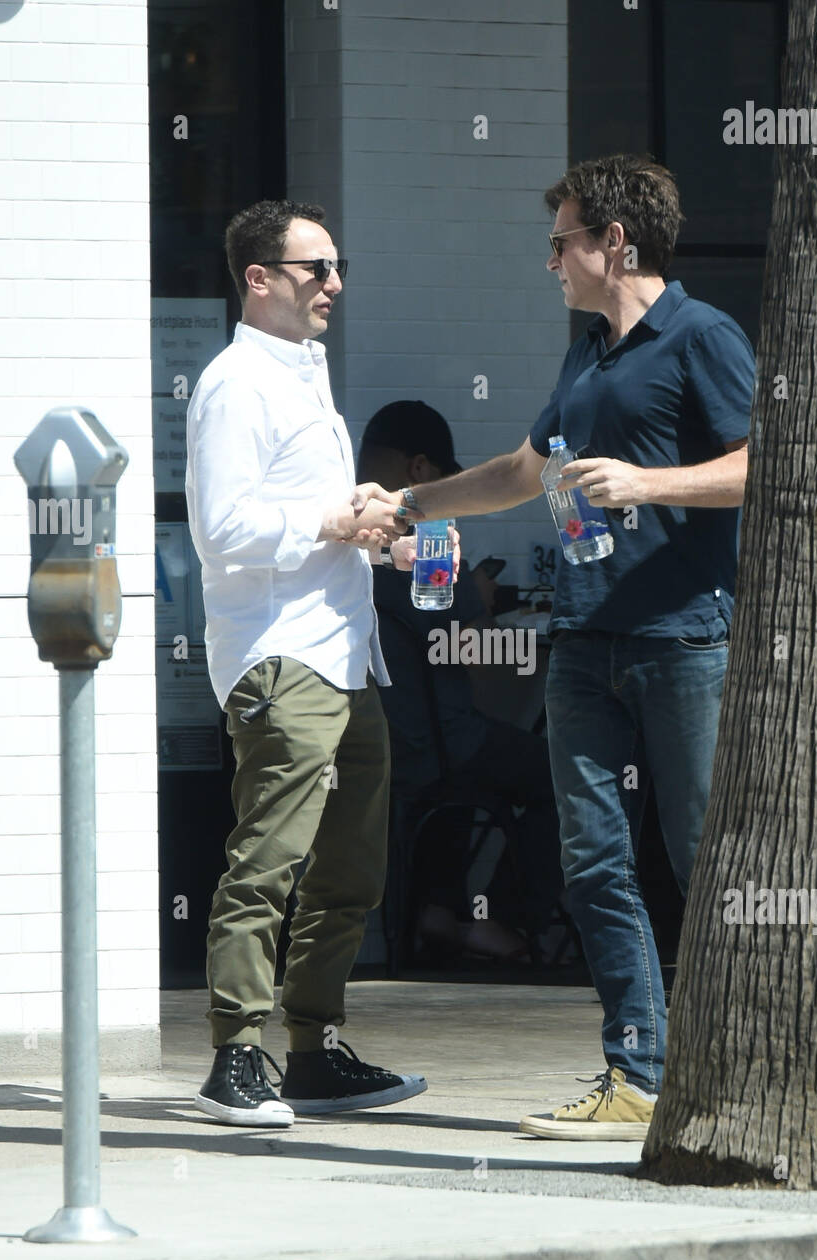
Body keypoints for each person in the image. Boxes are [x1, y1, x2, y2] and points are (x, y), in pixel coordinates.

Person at [385, 154, 756, 1140]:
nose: (549, 262)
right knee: (591, 860)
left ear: (613, 242)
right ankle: (635, 1070)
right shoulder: (588, 354)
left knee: (701, 855)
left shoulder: (702, 335)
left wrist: (649, 485)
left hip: (684, 640)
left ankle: (746, 1064)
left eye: (560, 242)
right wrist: (410, 501)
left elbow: (761, 462)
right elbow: (523, 467)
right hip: (585, 640)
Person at [185, 199, 439, 1126]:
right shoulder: (235, 382)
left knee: (348, 873)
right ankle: (235, 1058)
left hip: (345, 657)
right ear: (259, 279)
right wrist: (335, 519)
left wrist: (376, 538)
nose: (335, 284)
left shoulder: (302, 376)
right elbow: (223, 530)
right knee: (269, 861)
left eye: (335, 267)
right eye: (315, 269)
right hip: (279, 657)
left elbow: (306, 525)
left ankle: (313, 1050)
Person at [358, 400, 564, 963]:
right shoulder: (426, 542)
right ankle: (508, 922)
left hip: (385, 745)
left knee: (477, 772)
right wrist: (484, 600)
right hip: (440, 744)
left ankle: (440, 912)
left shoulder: (353, 537)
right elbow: (476, 651)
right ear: (420, 471)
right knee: (561, 777)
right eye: (451, 481)